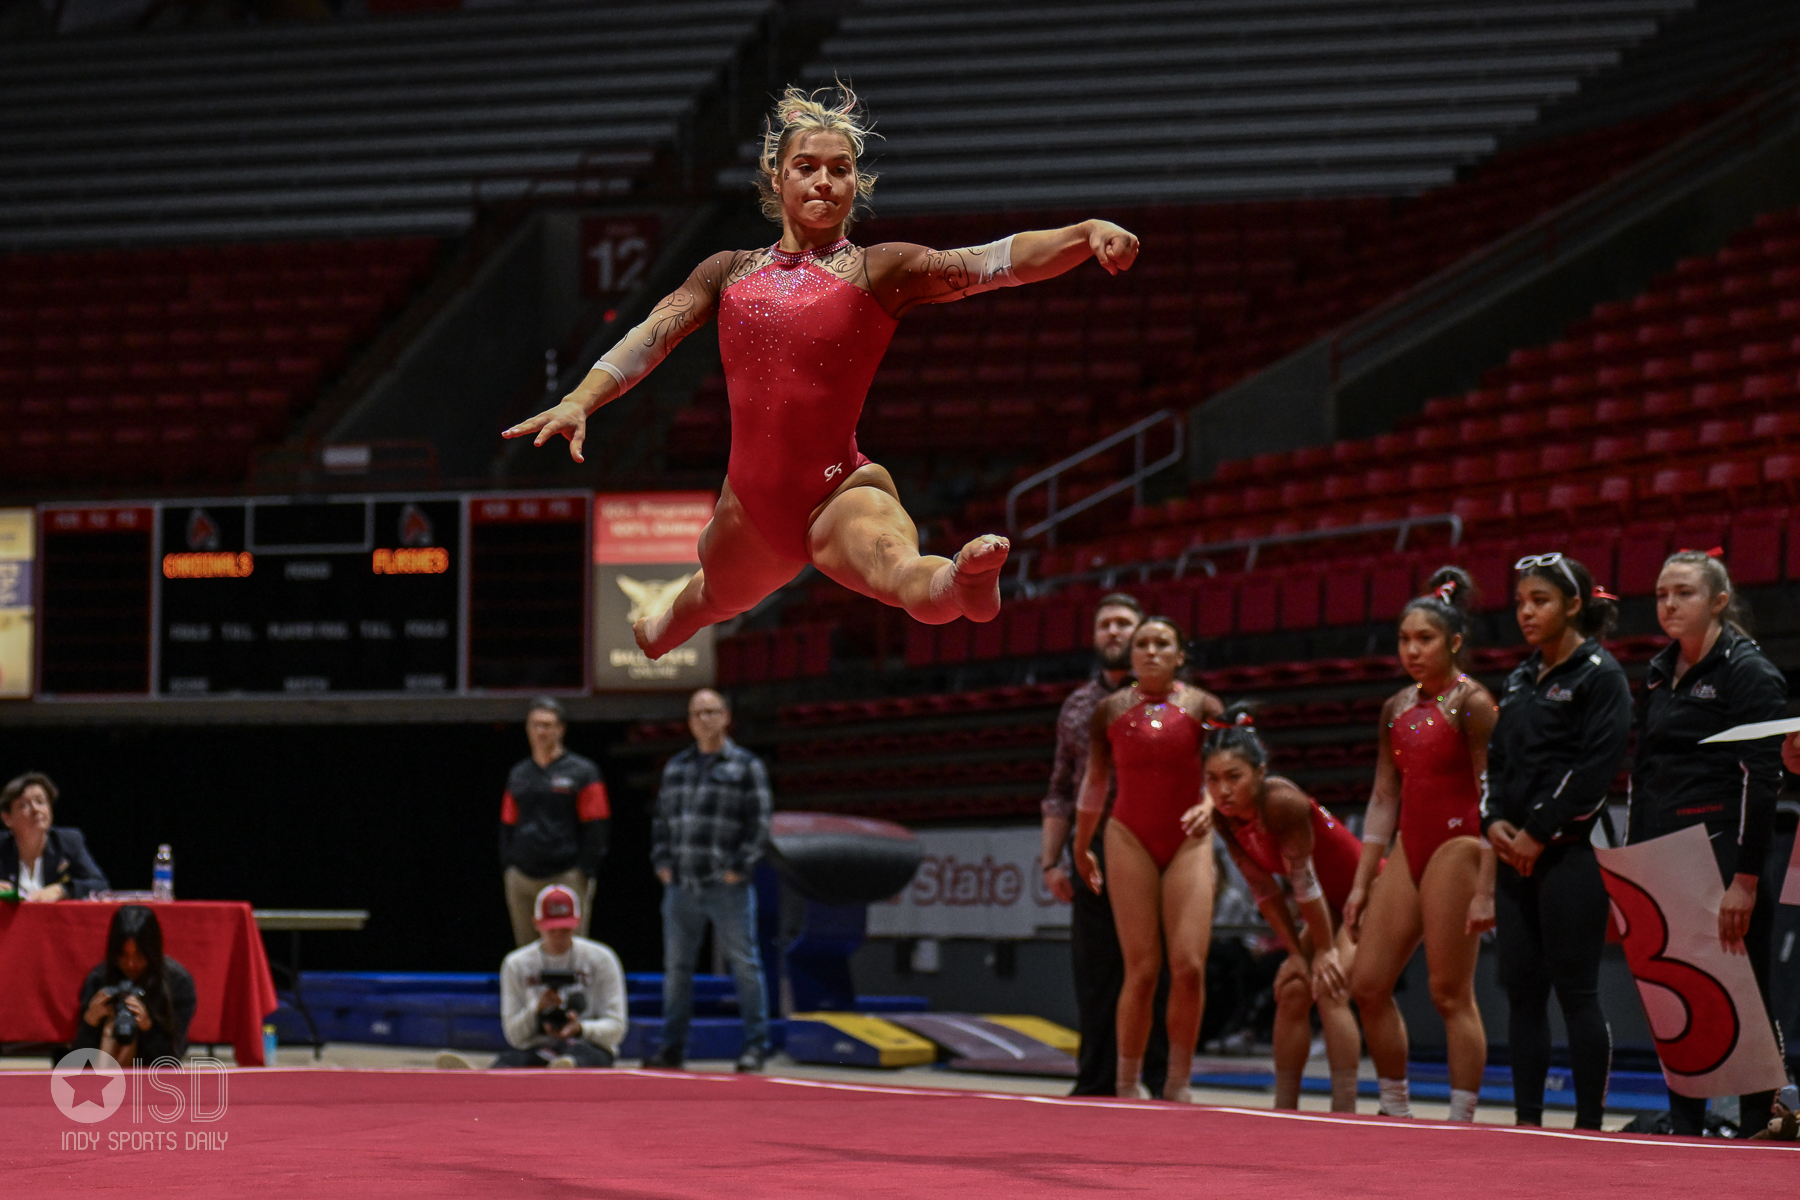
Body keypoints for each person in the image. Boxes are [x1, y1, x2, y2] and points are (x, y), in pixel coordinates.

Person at [504, 84, 1141, 660]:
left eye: (841, 170)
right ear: (775, 176)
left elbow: (994, 263)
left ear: (857, 184)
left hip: (839, 492)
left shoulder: (882, 269)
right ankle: (661, 624)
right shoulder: (725, 271)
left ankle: (961, 585)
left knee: (897, 567)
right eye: (806, 168)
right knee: (705, 603)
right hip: (751, 511)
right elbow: (652, 335)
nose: (824, 182)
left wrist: (1085, 233)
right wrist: (581, 400)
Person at [1628, 548, 1788, 1136]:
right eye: (1663, 593)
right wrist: (1632, 865)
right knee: (1676, 996)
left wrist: (1744, 879)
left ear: (1719, 601)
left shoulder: (1749, 672)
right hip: (1662, 854)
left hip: (1722, 851)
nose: (1669, 604)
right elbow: (1642, 773)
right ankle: (1685, 1128)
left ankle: (1756, 1129)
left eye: (1684, 593)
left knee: (1742, 998)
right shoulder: (1655, 672)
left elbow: (1761, 781)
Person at [1481, 552, 1632, 1130]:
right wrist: (1493, 820)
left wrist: (1537, 831)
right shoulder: (1519, 678)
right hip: (1513, 855)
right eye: (1520, 602)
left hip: (1570, 852)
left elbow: (1595, 769)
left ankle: (1589, 1121)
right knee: (1522, 990)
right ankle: (1527, 1120)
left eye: (1539, 600)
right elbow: (1497, 761)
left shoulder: (1600, 675)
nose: (1526, 612)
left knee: (1576, 990)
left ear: (1573, 604)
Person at [1343, 567, 1497, 1122]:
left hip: (1460, 845)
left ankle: (1460, 1116)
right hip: (1410, 845)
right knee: (1367, 982)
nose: (1412, 649)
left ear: (1455, 642)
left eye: (1425, 638)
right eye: (1405, 639)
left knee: (1449, 990)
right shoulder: (1395, 709)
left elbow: (1491, 794)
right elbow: (1384, 797)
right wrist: (1362, 883)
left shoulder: (1474, 704)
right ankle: (1394, 1105)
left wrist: (1486, 885)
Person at [1073, 617, 1223, 1101]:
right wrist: (1080, 845)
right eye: (1143, 645)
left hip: (1187, 839)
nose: (1151, 651)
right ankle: (1125, 1082)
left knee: (1189, 967)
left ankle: (1177, 1081)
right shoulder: (1108, 711)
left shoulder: (1205, 706)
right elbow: (1095, 783)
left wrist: (1210, 805)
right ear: (1131, 656)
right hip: (1127, 837)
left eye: (1163, 643)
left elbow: (1231, 772)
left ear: (1181, 655)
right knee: (1140, 968)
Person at [1190, 709, 1363, 1112]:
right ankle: (1285, 1108)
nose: (1222, 790)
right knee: (1291, 989)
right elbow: (1266, 892)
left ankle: (1346, 1108)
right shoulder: (1224, 818)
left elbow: (1305, 884)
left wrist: (1320, 952)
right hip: (1326, 905)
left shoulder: (1282, 801)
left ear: (1260, 771)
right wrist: (1295, 953)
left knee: (1329, 986)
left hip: (1364, 893)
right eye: (1212, 780)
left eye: (1234, 777)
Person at [1040, 592, 1171, 1096]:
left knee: (1152, 970)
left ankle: (1155, 1081)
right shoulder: (1076, 706)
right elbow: (1059, 787)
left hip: (1153, 847)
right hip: (1090, 852)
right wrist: (1051, 860)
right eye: (1105, 625)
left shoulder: (1171, 700)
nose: (1113, 633)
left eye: (1124, 624)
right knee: (1095, 972)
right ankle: (1093, 1080)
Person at [648, 688, 773, 1073]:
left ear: (726, 717)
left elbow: (761, 825)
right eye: (696, 713)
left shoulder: (745, 766)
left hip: (727, 885)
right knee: (677, 970)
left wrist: (740, 866)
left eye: (711, 712)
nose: (703, 719)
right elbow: (661, 821)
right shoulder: (676, 767)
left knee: (744, 964)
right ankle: (672, 1047)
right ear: (689, 721)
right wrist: (661, 861)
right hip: (681, 884)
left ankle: (755, 1045)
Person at [441, 884, 627, 1070]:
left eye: (565, 929)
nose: (558, 937)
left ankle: (565, 1068)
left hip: (587, 1046)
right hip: (539, 1048)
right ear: (536, 924)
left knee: (583, 1057)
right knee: (514, 1059)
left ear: (577, 922)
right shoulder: (516, 964)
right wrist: (536, 1010)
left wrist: (580, 1028)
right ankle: (482, 1077)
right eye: (552, 930)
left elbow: (617, 1026)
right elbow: (514, 1036)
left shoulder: (601, 959)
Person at [499, 697, 610, 947]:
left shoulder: (583, 771)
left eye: (548, 725)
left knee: (571, 950)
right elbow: (507, 824)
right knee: (527, 955)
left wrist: (583, 870)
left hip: (567, 875)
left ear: (561, 729)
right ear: (528, 729)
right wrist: (510, 866)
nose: (541, 731)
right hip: (522, 878)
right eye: (536, 725)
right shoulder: (518, 774)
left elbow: (597, 825)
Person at [72, 905, 196, 1068]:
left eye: (139, 955)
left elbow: (172, 1060)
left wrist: (147, 1028)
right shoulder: (98, 980)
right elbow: (77, 1063)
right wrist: (90, 1023)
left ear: (153, 950)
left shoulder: (178, 983)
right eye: (123, 955)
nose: (131, 964)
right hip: (98, 1080)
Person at [0, 771, 108, 901]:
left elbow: (100, 885)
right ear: (7, 818)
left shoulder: (68, 841)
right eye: (24, 805)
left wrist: (63, 889)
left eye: (40, 801)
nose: (36, 809)